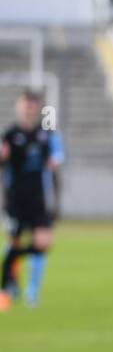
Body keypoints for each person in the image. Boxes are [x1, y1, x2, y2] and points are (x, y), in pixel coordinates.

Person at [0, 91, 63, 310]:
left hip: (37, 201)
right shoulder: (9, 135)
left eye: (32, 105)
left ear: (37, 108)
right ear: (19, 107)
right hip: (16, 201)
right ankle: (7, 289)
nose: (28, 109)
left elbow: (53, 170)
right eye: (25, 105)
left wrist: (56, 201)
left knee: (43, 243)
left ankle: (29, 289)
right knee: (14, 242)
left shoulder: (44, 136)